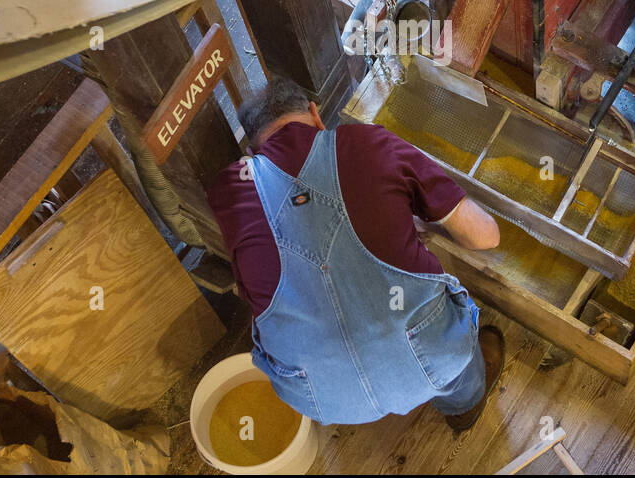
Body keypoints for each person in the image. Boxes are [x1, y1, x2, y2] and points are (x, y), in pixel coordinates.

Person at [207, 76, 503, 432]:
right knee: (455, 367)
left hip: (319, 397)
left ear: (253, 151)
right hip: (431, 356)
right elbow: (486, 236)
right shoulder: (368, 142)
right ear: (316, 115)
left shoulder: (229, 190)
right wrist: (417, 216)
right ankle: (463, 408)